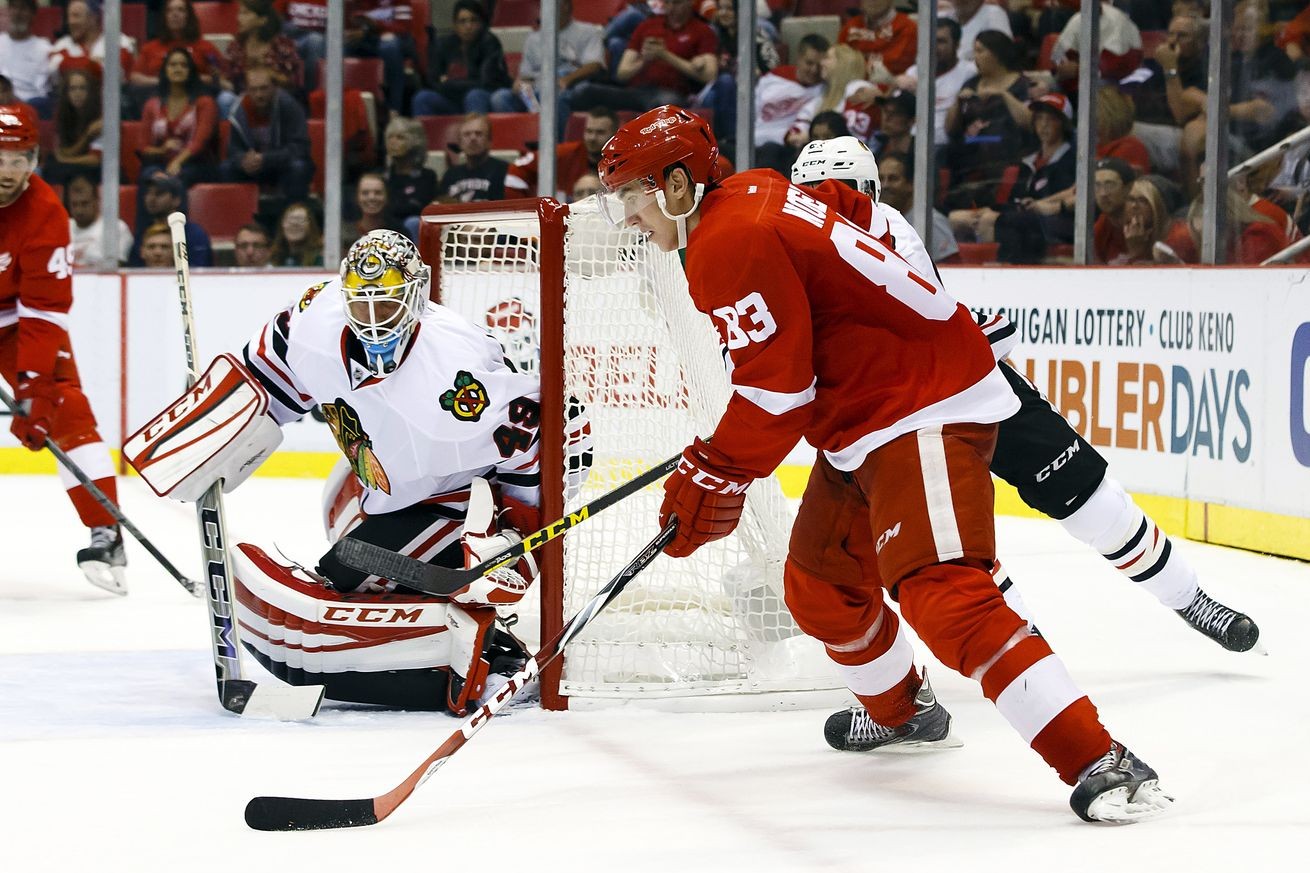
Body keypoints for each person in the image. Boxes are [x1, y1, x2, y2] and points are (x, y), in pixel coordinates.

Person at [596, 105, 1173, 823]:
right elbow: (853, 219)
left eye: (633, 197)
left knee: (944, 593)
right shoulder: (758, 192)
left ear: (678, 186)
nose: (628, 219)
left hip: (916, 404)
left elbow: (779, 397)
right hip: (869, 411)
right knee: (818, 583)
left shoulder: (724, 241)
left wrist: (715, 471)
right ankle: (904, 712)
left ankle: (1098, 756)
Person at [786, 133, 1258, 743]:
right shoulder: (805, 248)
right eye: (816, 193)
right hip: (898, 421)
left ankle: (1188, 599)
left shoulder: (882, 226)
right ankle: (1030, 682)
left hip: (962, 392)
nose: (831, 201)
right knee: (949, 562)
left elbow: (920, 319)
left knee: (1089, 498)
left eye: (841, 190)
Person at [126, 230, 546, 713]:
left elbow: (546, 435)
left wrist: (517, 538)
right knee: (338, 504)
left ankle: (488, 659)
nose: (372, 320)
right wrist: (217, 422)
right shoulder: (317, 318)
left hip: (460, 499)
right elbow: (270, 370)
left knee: (339, 587)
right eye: (361, 303)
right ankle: (440, 616)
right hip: (383, 481)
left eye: (385, 304)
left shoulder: (456, 375)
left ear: (417, 294)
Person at [0, 103, 127, 595]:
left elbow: (43, 311)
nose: (8, 172)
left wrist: (34, 385)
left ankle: (106, 530)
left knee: (66, 410)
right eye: (0, 158)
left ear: (34, 160)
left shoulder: (46, 213)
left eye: (19, 159)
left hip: (15, 324)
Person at [571, 0, 719, 114]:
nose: (672, 8)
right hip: (635, 92)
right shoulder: (648, 26)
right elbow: (622, 73)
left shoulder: (703, 31)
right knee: (583, 92)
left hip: (672, 93)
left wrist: (665, 55)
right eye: (668, 2)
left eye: (677, 2)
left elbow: (709, 75)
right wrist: (645, 59)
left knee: (665, 104)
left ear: (690, 2)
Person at [943, 30, 1033, 212]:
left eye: (980, 50)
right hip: (968, 156)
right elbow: (949, 128)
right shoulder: (971, 83)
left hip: (1006, 155)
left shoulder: (1021, 84)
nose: (975, 57)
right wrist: (958, 103)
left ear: (997, 52)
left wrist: (1003, 95)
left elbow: (1029, 122)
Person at [492, 0, 604, 122]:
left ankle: (557, 140)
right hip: (537, 88)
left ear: (566, 6)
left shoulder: (588, 31)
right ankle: (526, 134)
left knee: (557, 97)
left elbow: (594, 64)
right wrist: (519, 83)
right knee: (500, 97)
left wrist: (567, 80)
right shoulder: (533, 38)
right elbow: (526, 75)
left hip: (569, 86)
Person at [221, 66, 314, 208]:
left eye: (264, 88)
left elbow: (301, 147)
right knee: (226, 168)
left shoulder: (289, 105)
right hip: (255, 169)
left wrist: (266, 158)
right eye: (254, 89)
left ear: (274, 88)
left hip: (282, 165)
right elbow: (233, 149)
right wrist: (243, 160)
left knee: (299, 167)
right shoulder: (239, 110)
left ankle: (291, 217)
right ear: (247, 90)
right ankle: (238, 221)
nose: (259, 95)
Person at [137, 48, 220, 188]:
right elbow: (142, 147)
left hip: (197, 165)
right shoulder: (152, 104)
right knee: (148, 176)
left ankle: (178, 211)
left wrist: (177, 162)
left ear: (191, 71)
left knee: (175, 178)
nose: (178, 69)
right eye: (173, 65)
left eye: (183, 65)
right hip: (161, 163)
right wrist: (162, 150)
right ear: (165, 69)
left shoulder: (205, 103)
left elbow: (199, 143)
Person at [413, 1, 511, 116]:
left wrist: (449, 83)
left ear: (481, 23)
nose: (468, 26)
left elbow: (485, 82)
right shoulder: (443, 44)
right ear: (455, 25)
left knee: (474, 95)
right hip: (453, 101)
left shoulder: (490, 42)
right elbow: (432, 80)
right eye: (462, 21)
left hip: (483, 97)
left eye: (473, 20)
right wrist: (465, 82)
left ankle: (476, 132)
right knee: (422, 98)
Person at [505, 106, 618, 201]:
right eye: (589, 131)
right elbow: (517, 168)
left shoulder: (624, 160)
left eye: (600, 132)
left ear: (615, 134)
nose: (592, 138)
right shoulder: (565, 154)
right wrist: (523, 208)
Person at [217, 0, 305, 116]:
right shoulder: (236, 46)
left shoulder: (281, 45)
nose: (239, 18)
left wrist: (268, 72)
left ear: (262, 20)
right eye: (239, 13)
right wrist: (223, 81)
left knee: (281, 99)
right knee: (225, 98)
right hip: (244, 98)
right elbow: (226, 76)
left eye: (245, 13)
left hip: (275, 97)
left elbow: (296, 81)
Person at [786, 44, 877, 151]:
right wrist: (799, 135)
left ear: (843, 63)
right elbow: (796, 131)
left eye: (827, 58)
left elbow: (854, 138)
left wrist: (810, 138)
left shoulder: (859, 89)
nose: (821, 63)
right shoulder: (822, 94)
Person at [130, 0, 224, 93]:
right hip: (158, 96)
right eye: (169, 10)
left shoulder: (205, 47)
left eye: (180, 10)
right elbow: (135, 77)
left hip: (197, 98)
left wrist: (200, 79)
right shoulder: (150, 48)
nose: (175, 14)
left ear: (189, 16)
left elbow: (222, 77)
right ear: (164, 17)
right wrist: (165, 82)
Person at [128, 169, 213, 266]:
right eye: (148, 193)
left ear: (176, 200)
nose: (152, 198)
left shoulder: (194, 234)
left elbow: (200, 272)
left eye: (159, 193)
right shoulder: (143, 232)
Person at [47, 0, 136, 84]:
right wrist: (96, 64)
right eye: (69, 16)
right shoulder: (63, 44)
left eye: (76, 16)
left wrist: (72, 62)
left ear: (93, 18)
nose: (70, 21)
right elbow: (52, 71)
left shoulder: (118, 41)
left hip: (110, 99)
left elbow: (115, 74)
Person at [41, 68, 103, 185]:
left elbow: (95, 160)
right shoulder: (62, 114)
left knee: (62, 169)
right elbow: (62, 152)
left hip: (96, 168)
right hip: (73, 163)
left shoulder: (100, 117)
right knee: (49, 166)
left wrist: (65, 160)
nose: (77, 93)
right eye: (72, 89)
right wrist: (87, 136)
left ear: (91, 92)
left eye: (82, 88)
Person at [382, 117, 439, 242]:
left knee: (412, 222)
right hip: (386, 230)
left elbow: (418, 208)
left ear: (414, 141)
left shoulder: (427, 176)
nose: (393, 142)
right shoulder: (382, 177)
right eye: (390, 137)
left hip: (412, 230)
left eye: (400, 138)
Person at [436, 113, 507, 203]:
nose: (473, 138)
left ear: (489, 141)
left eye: (479, 134)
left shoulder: (504, 171)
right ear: (460, 143)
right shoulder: (451, 175)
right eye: (467, 134)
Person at [66, 174, 133, 268]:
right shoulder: (63, 227)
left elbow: (115, 269)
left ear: (97, 201)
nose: (79, 210)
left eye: (84, 203)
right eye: (74, 204)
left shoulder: (115, 228)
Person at [0, 0, 53, 117]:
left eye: (23, 9)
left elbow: (43, 91)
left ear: (32, 14)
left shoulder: (45, 49)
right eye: (14, 8)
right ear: (8, 10)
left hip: (31, 108)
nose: (18, 13)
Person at [838, 0, 917, 79]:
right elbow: (839, 61)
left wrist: (854, 67)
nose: (872, 1)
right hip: (850, 84)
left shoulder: (907, 28)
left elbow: (892, 68)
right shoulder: (850, 26)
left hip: (889, 87)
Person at [1093, 157, 1136, 264]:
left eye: (1110, 185)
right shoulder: (1102, 224)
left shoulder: (1143, 220)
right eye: (1097, 185)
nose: (1103, 193)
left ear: (1129, 188)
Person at [270, 201, 324, 267]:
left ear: (311, 226)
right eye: (290, 220)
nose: (295, 224)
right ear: (282, 226)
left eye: (301, 220)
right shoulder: (272, 257)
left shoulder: (320, 259)